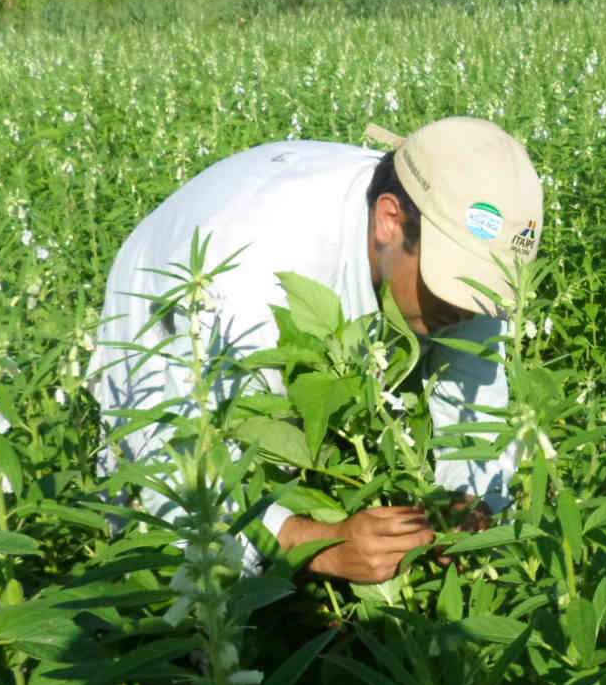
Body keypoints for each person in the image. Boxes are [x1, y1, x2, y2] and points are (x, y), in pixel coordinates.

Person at [88, 117, 543, 584]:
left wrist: (467, 502)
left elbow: (473, 407)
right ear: (390, 221)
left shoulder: (456, 237)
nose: (467, 310)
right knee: (171, 554)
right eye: (450, 283)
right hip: (173, 291)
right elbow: (180, 464)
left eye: (485, 292)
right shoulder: (247, 279)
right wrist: (321, 545)